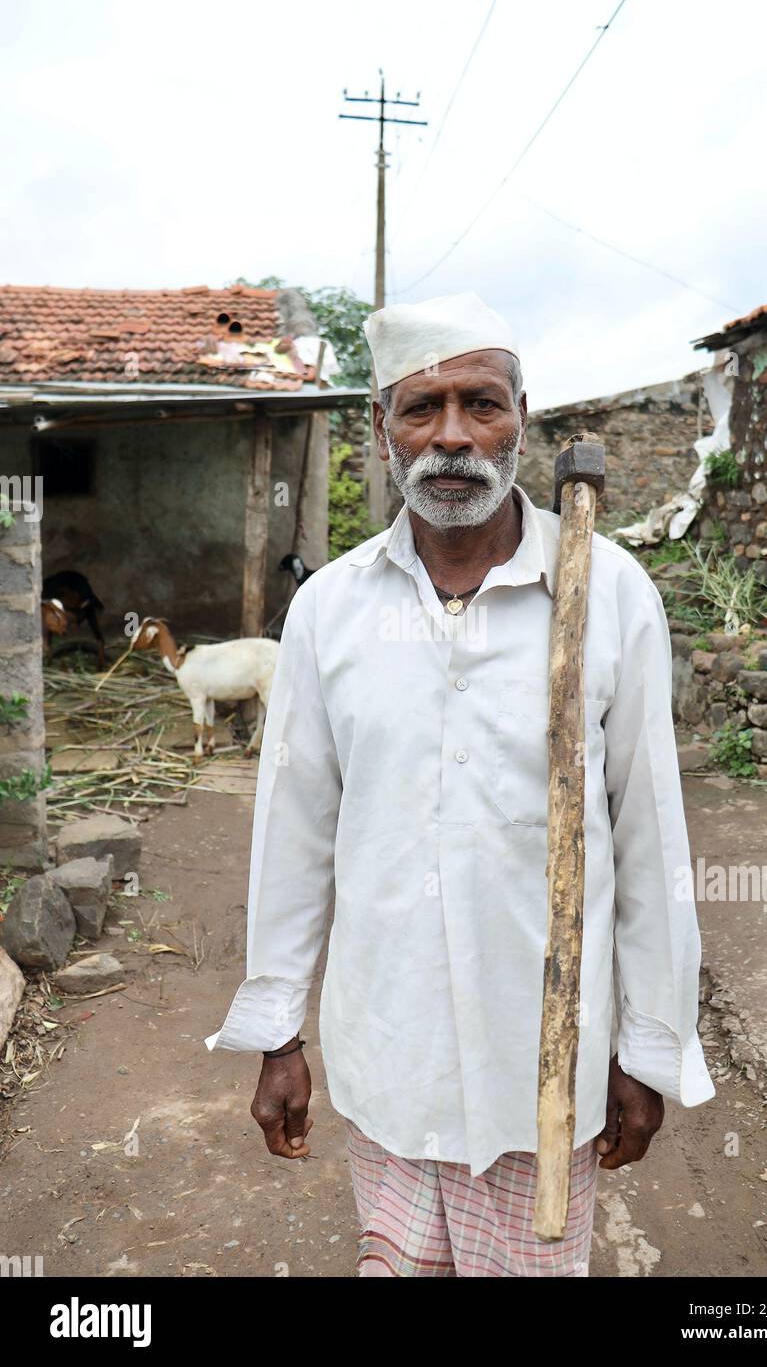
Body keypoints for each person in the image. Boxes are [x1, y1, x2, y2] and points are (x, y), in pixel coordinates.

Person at [205, 291, 715, 1277]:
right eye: (419, 407)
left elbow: (649, 840)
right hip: (384, 1056)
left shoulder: (606, 594)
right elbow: (294, 832)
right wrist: (276, 1028)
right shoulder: (329, 611)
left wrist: (646, 1047)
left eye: (479, 404)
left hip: (546, 1076)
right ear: (379, 429)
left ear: (521, 414)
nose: (450, 438)